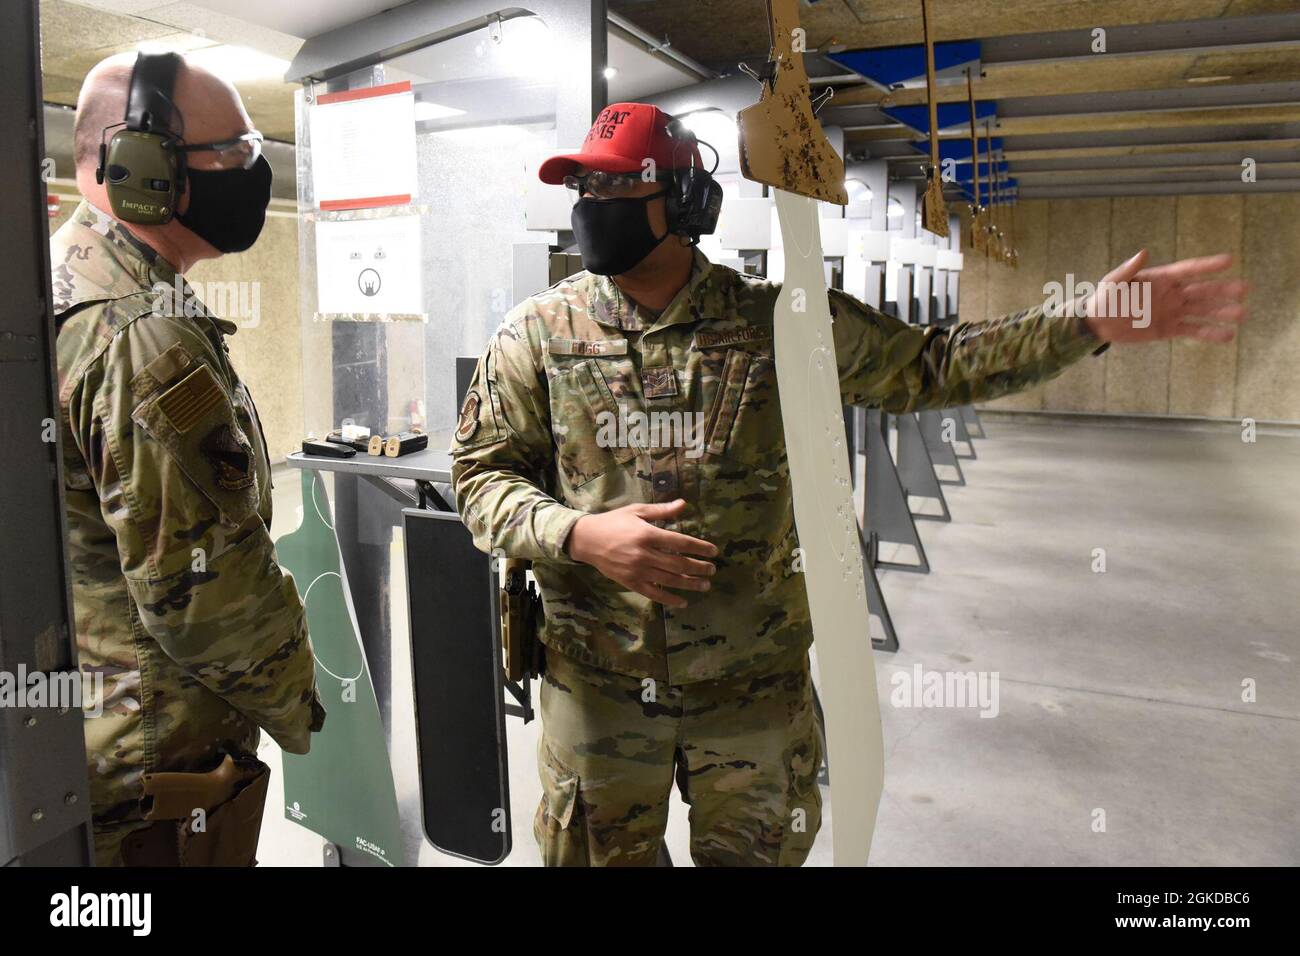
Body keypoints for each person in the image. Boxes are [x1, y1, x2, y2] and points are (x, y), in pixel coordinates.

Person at [450, 102, 1247, 866]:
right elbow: (479, 476)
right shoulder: (537, 335)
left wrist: (1086, 323)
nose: (594, 204)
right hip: (597, 691)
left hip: (753, 691)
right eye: (584, 188)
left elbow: (931, 365)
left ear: (686, 198)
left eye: (619, 184)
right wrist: (577, 534)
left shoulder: (780, 323)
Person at [52, 51, 324, 866]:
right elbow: (204, 589)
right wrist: (296, 692)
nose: (253, 171)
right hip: (156, 773)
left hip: (92, 740)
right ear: (141, 168)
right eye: (233, 154)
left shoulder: (66, 280)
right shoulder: (141, 333)